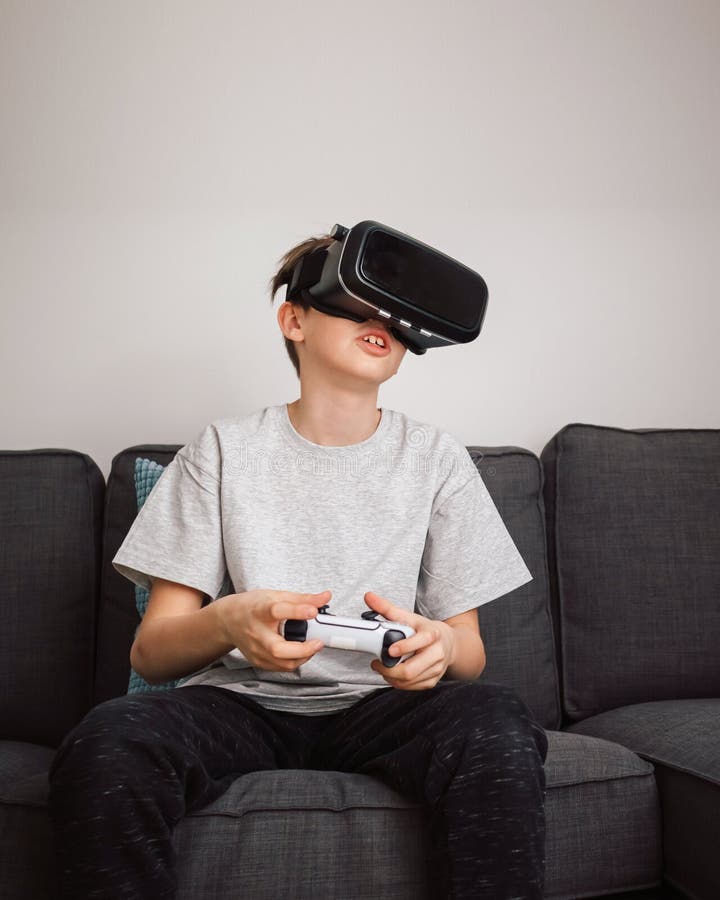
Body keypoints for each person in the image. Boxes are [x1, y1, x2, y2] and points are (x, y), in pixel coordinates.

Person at [47, 229, 549, 899]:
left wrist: (440, 645)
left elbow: (470, 654)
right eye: (354, 302)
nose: (382, 322)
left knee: (494, 718)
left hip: (381, 705)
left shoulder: (437, 460)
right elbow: (152, 653)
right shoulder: (220, 452)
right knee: (109, 738)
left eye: (395, 311)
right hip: (240, 706)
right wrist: (229, 621)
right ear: (295, 320)